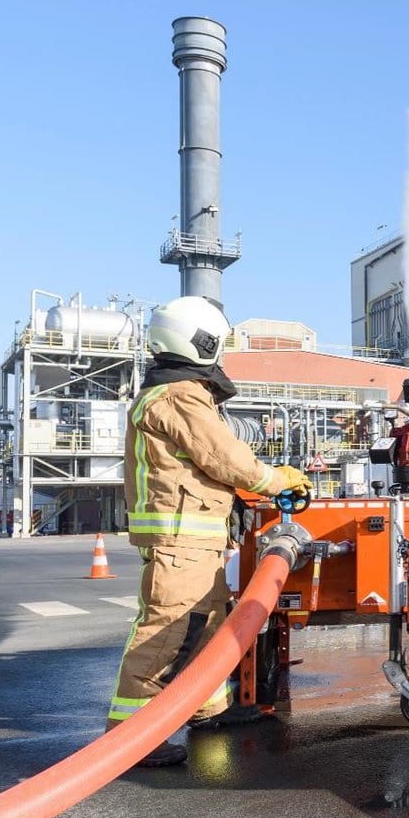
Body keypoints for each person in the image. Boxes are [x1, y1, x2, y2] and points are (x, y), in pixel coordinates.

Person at [107, 295, 309, 767]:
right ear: (201, 342)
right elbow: (224, 457)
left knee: (206, 623)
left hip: (194, 538)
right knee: (168, 631)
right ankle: (133, 736)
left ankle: (205, 707)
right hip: (181, 539)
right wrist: (276, 478)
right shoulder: (178, 396)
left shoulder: (175, 392)